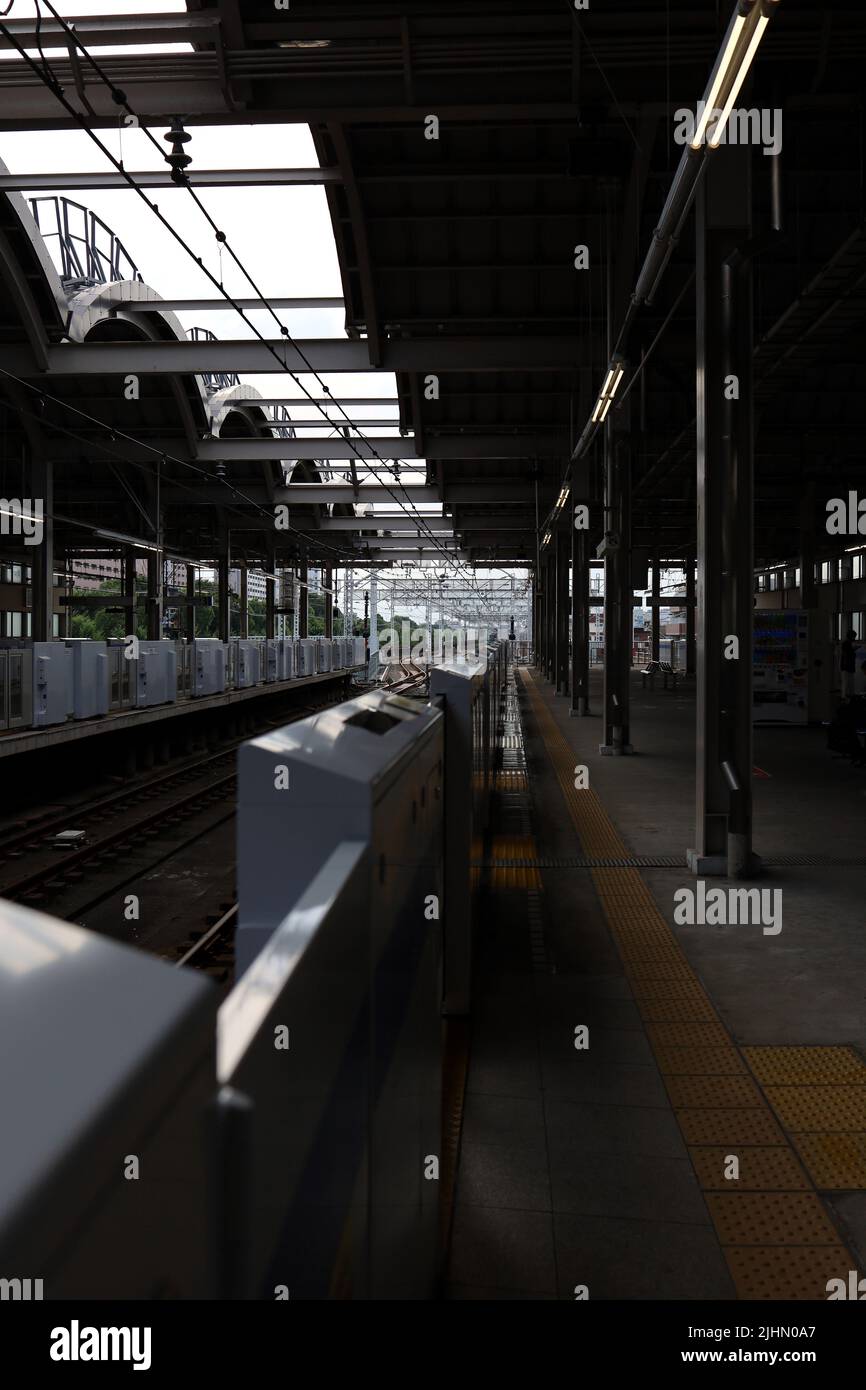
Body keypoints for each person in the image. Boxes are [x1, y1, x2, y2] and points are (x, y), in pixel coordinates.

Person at [840, 628, 858, 698]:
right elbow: (846, 654)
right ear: (851, 636)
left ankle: (846, 696)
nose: (854, 638)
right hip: (847, 666)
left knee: (847, 682)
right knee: (847, 682)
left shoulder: (847, 643)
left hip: (847, 666)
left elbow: (846, 653)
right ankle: (845, 696)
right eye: (854, 636)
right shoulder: (847, 643)